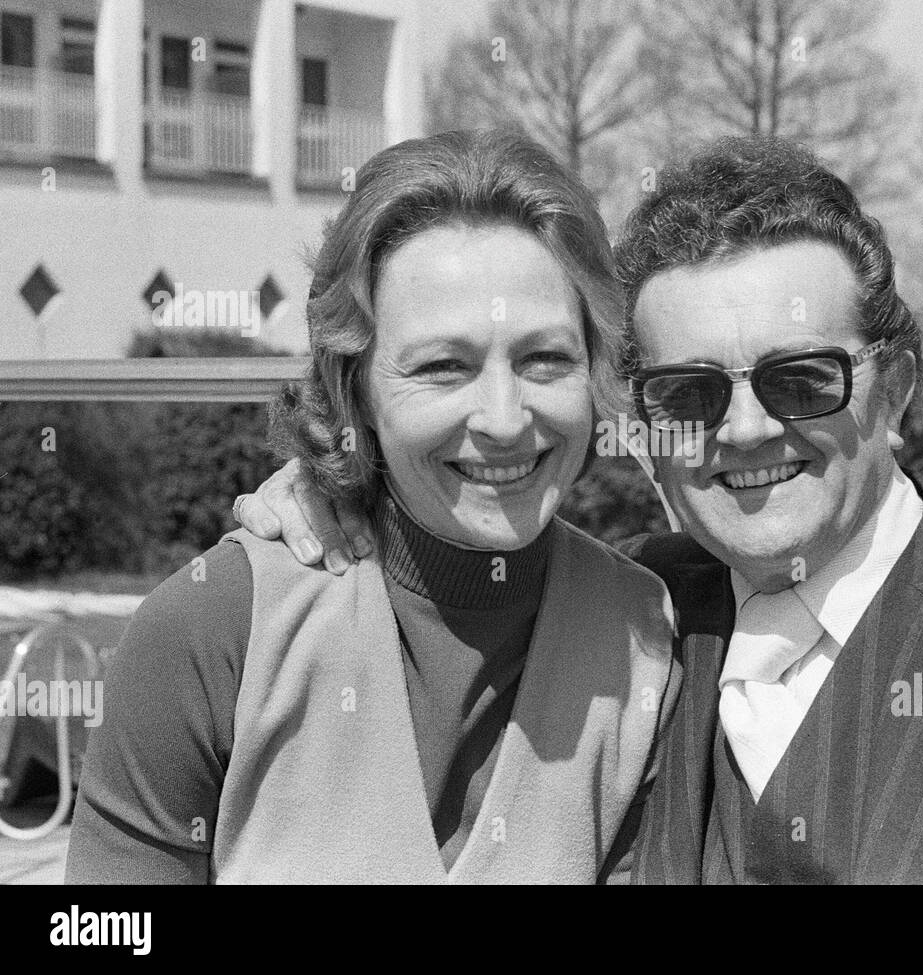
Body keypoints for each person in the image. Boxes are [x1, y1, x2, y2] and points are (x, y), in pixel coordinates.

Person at [230, 136, 923, 884]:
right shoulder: (623, 619)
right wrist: (336, 503)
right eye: (689, 395)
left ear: (896, 386)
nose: (742, 432)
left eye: (799, 381)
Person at [64, 130, 678, 884]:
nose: (504, 417)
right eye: (442, 366)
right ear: (355, 387)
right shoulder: (215, 629)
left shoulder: (644, 642)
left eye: (545, 358)